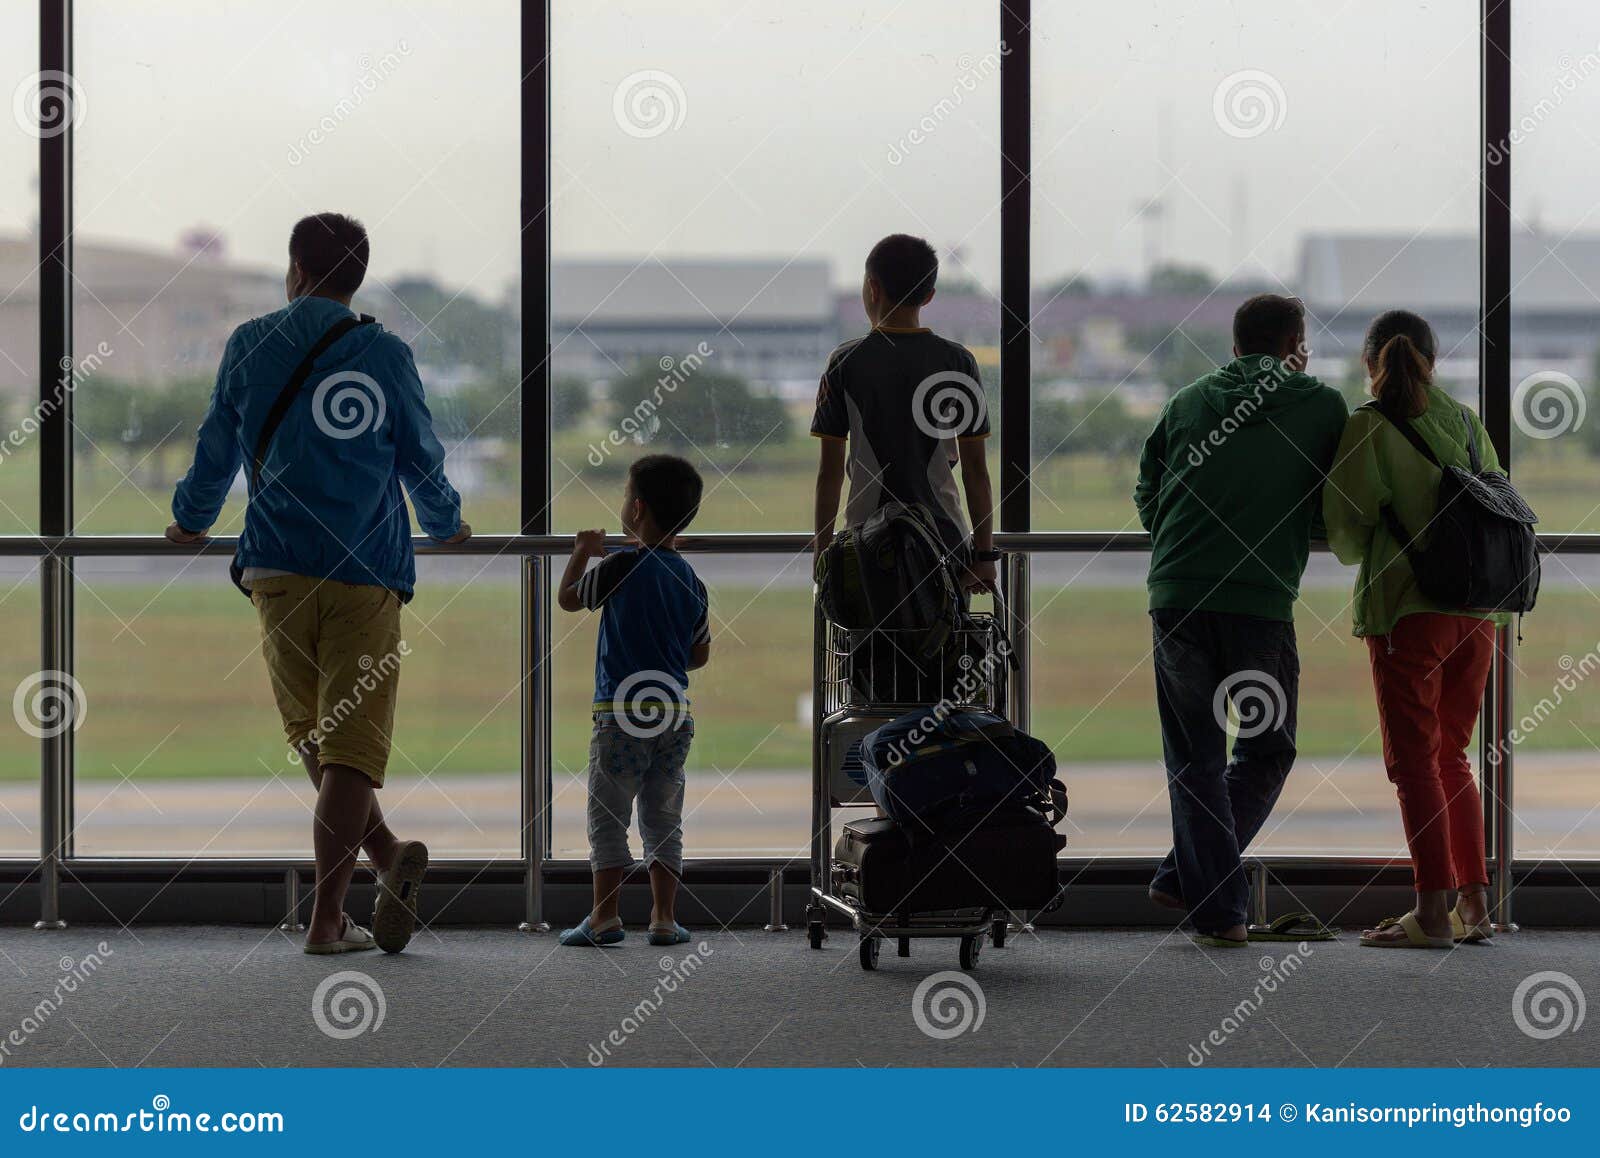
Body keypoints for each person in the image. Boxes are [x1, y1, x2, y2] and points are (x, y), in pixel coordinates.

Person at [166, 212, 469, 955]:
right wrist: (447, 524)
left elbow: (216, 451)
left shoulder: (248, 343)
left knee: (320, 737)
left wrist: (190, 522)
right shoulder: (386, 353)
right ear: (356, 276)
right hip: (364, 570)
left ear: (295, 266)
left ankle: (389, 857)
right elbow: (420, 456)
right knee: (348, 747)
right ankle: (329, 921)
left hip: (273, 565)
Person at [1134, 294, 1348, 948]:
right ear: (1297, 345)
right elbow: (1334, 509)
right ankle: (1218, 908)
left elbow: (1150, 496)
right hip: (1257, 602)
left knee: (1193, 758)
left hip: (1175, 594)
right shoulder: (1320, 406)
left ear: (1234, 347)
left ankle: (1190, 879)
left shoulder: (1189, 401)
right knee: (1267, 746)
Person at [1324, 310, 1507, 949]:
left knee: (1412, 764)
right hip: (1480, 612)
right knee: (1452, 754)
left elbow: (1346, 532)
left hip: (1408, 608)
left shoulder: (1367, 426)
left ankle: (1431, 912)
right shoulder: (1464, 419)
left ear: (1371, 362)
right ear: (1435, 359)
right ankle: (1474, 904)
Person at [556, 454, 711, 948]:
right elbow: (698, 655)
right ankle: (664, 917)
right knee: (663, 815)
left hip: (620, 714)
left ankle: (605, 916)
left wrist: (584, 551)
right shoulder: (692, 581)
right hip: (674, 714)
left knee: (609, 815)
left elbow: (569, 598)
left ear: (637, 509)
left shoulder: (620, 565)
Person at [811, 233, 998, 592]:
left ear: (872, 288)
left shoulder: (845, 363)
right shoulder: (958, 362)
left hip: (863, 551)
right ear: (928, 295)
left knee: (867, 648)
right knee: (943, 646)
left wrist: (822, 557)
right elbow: (976, 472)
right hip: (945, 547)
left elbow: (829, 474)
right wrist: (984, 558)